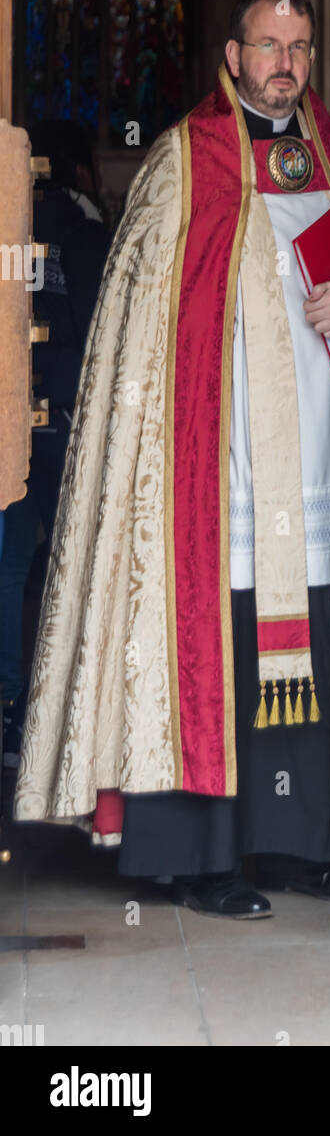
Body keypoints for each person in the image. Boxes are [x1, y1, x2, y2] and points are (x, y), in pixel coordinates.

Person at [15, 0, 330, 919]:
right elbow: (149, 322)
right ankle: (207, 859)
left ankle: (311, 846)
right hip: (225, 474)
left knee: (328, 645)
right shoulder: (185, 160)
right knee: (226, 649)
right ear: (233, 54)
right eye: (268, 44)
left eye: (300, 47)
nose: (285, 62)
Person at [0, 120, 110, 764]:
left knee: (12, 561)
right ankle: (62, 712)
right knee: (76, 560)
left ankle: (10, 703)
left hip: (15, 409)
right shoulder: (87, 233)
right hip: (67, 410)